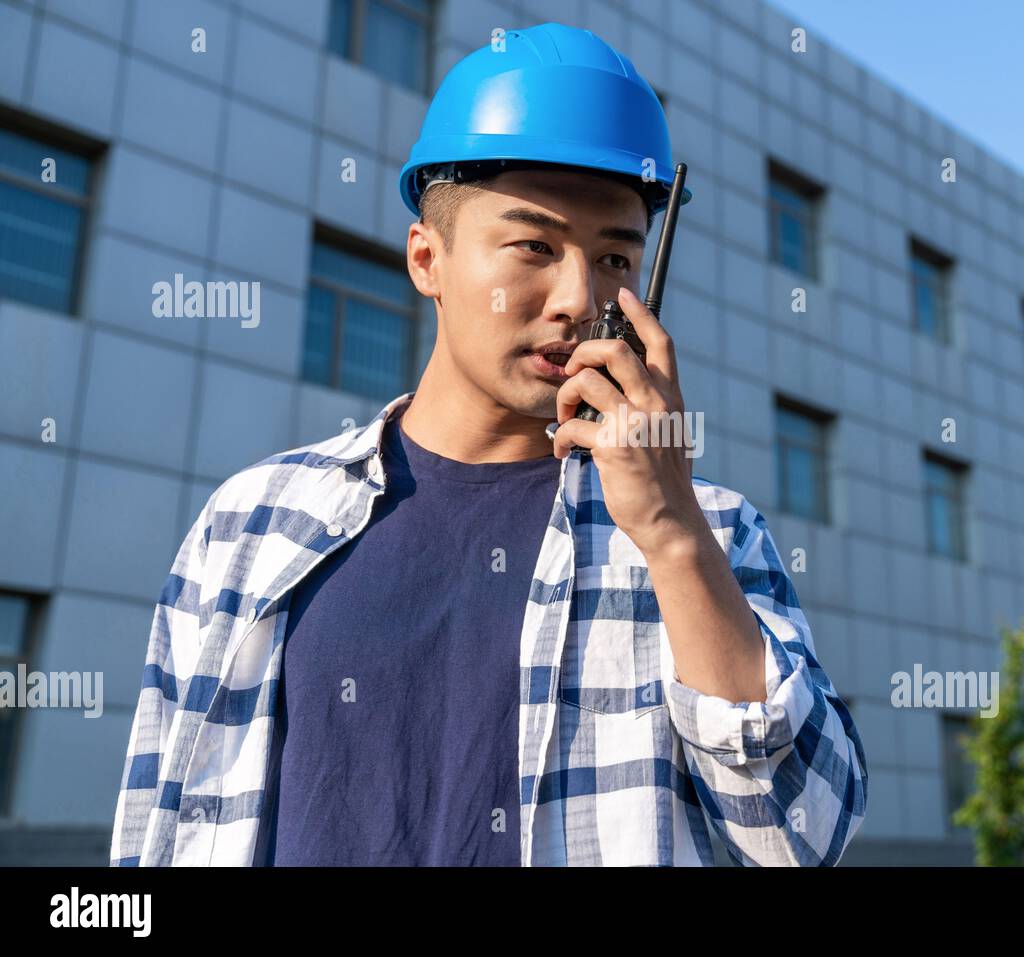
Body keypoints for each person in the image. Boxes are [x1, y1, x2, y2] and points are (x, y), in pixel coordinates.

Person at [110, 22, 866, 867]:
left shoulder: (713, 535)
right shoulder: (252, 525)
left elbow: (804, 837)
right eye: (534, 246)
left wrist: (673, 534)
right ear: (428, 259)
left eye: (617, 256)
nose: (580, 296)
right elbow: (154, 827)